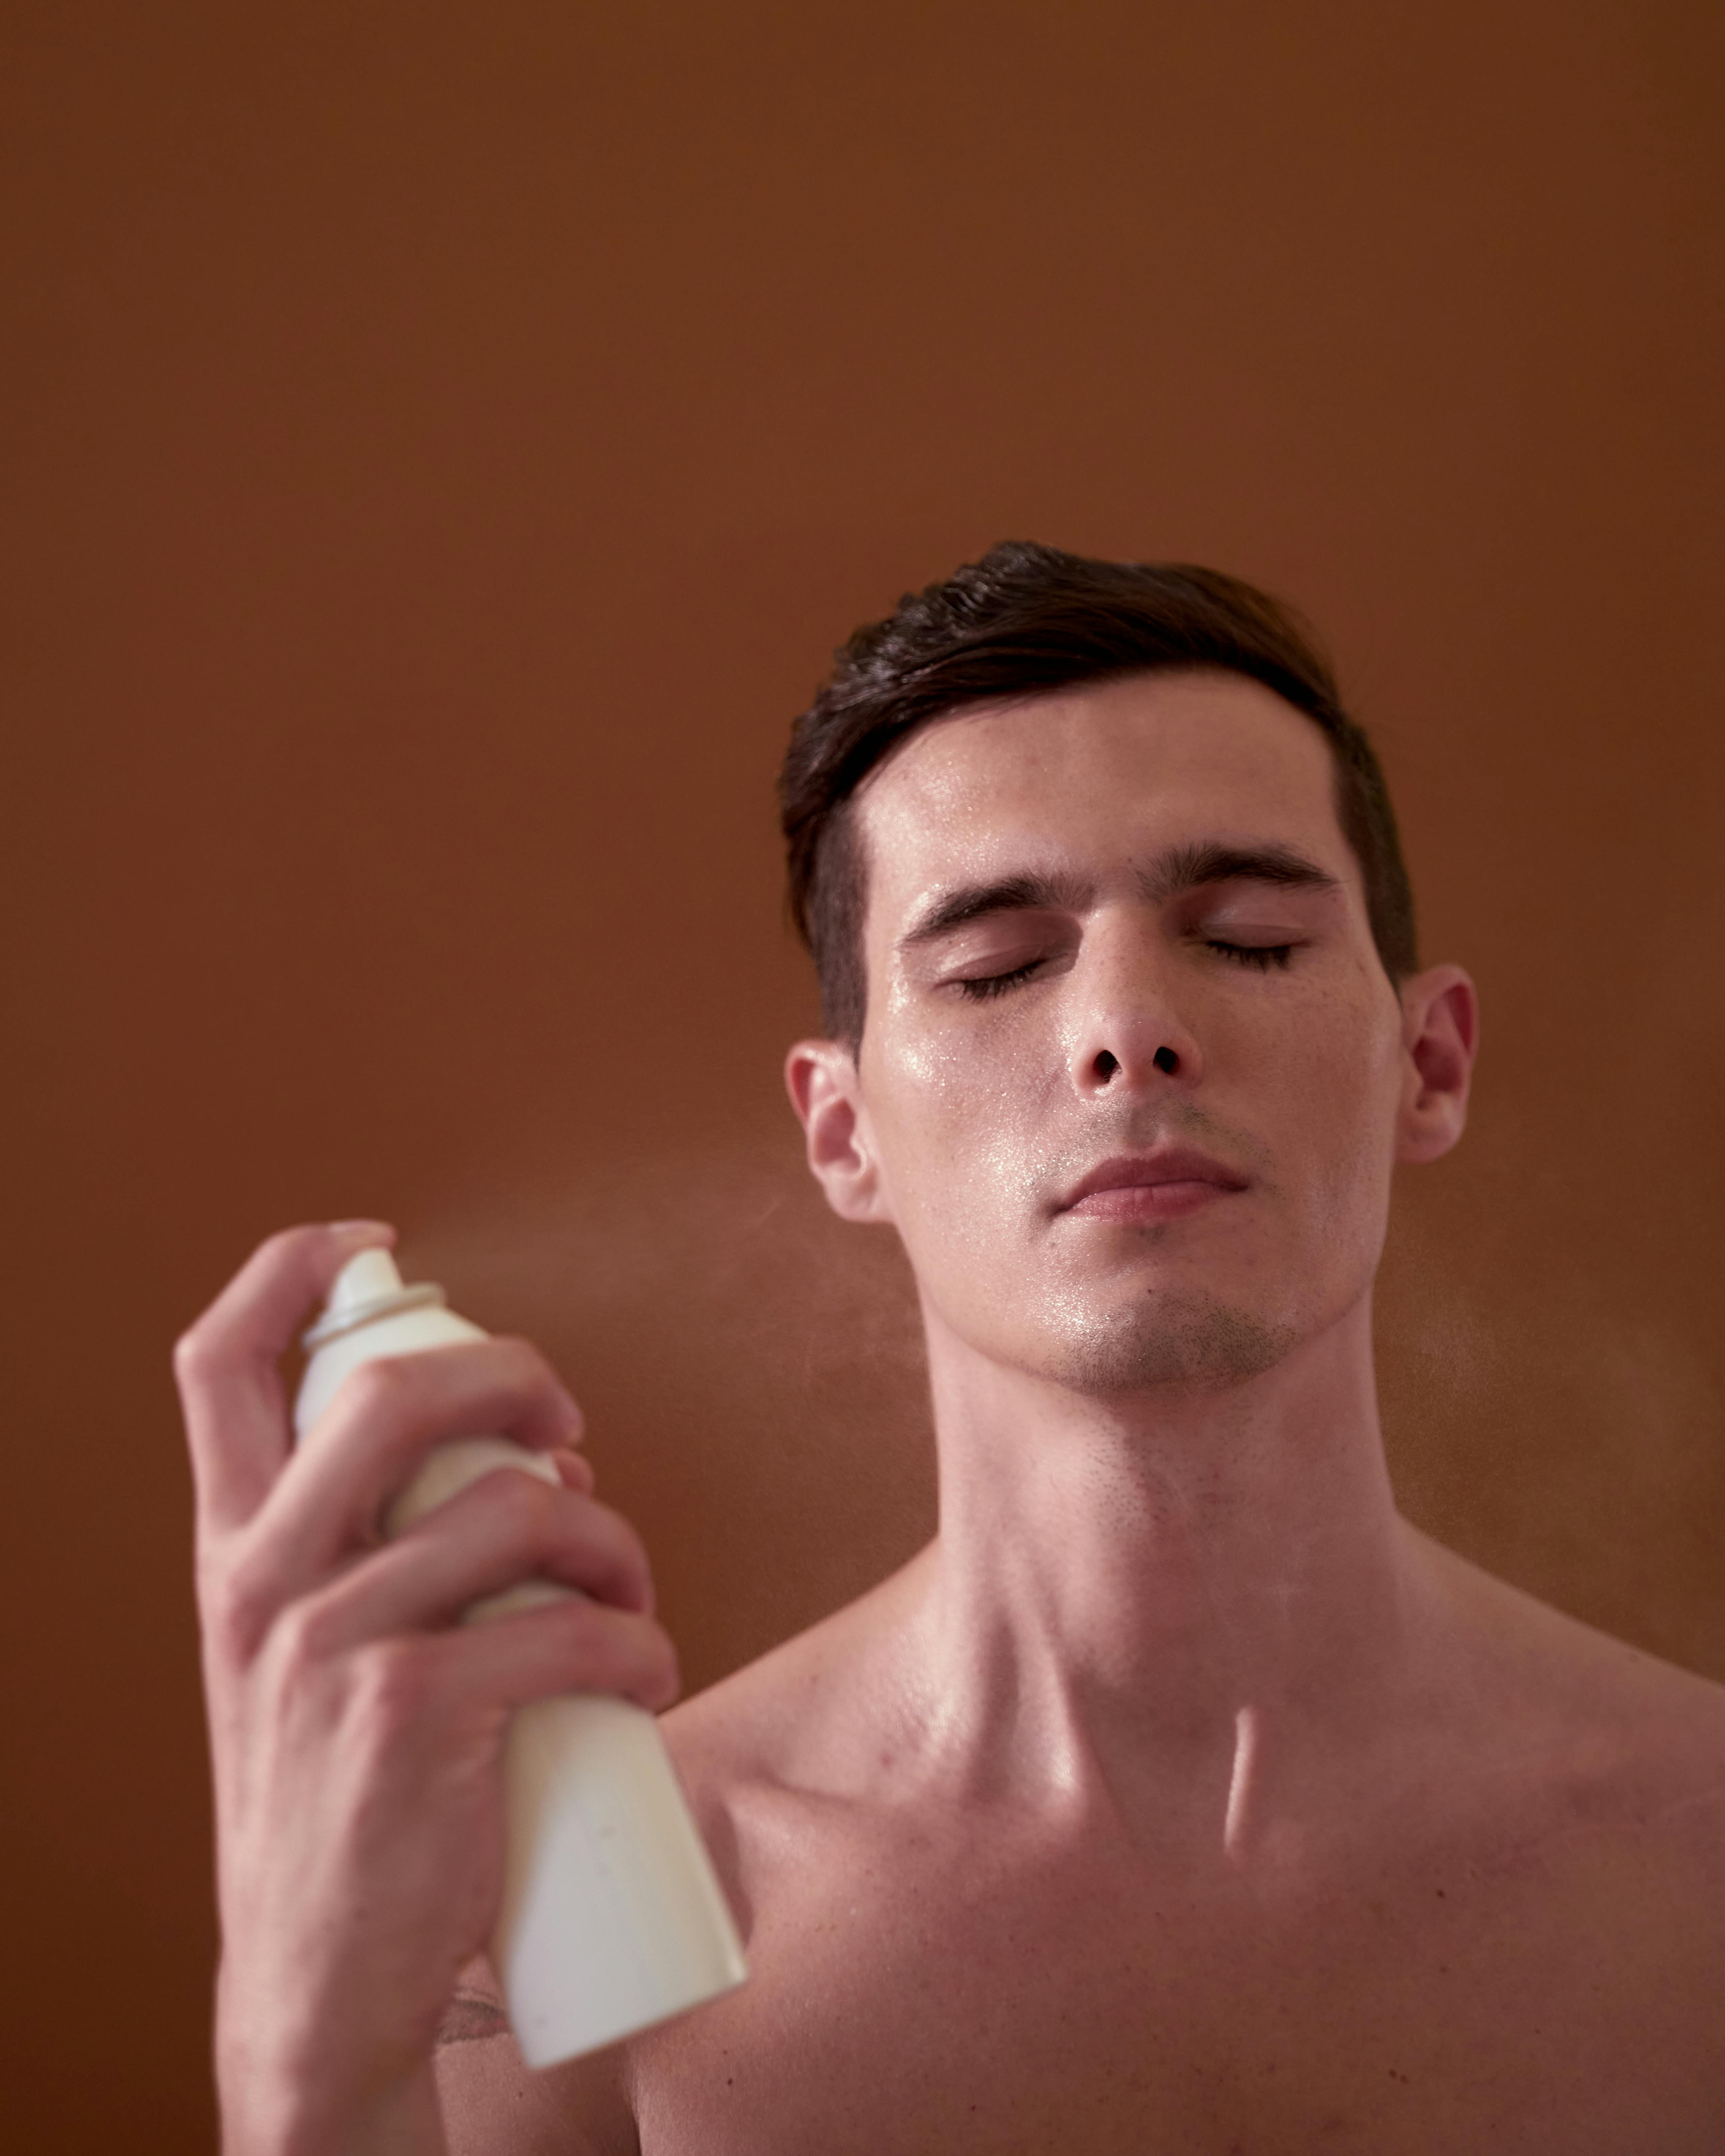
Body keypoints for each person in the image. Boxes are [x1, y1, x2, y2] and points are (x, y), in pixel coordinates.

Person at [177, 544, 1725, 2155]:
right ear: (841, 1131)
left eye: (1252, 937)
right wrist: (306, 2066)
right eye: (997, 967)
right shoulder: (597, 1930)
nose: (1126, 1028)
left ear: (1428, 1062)